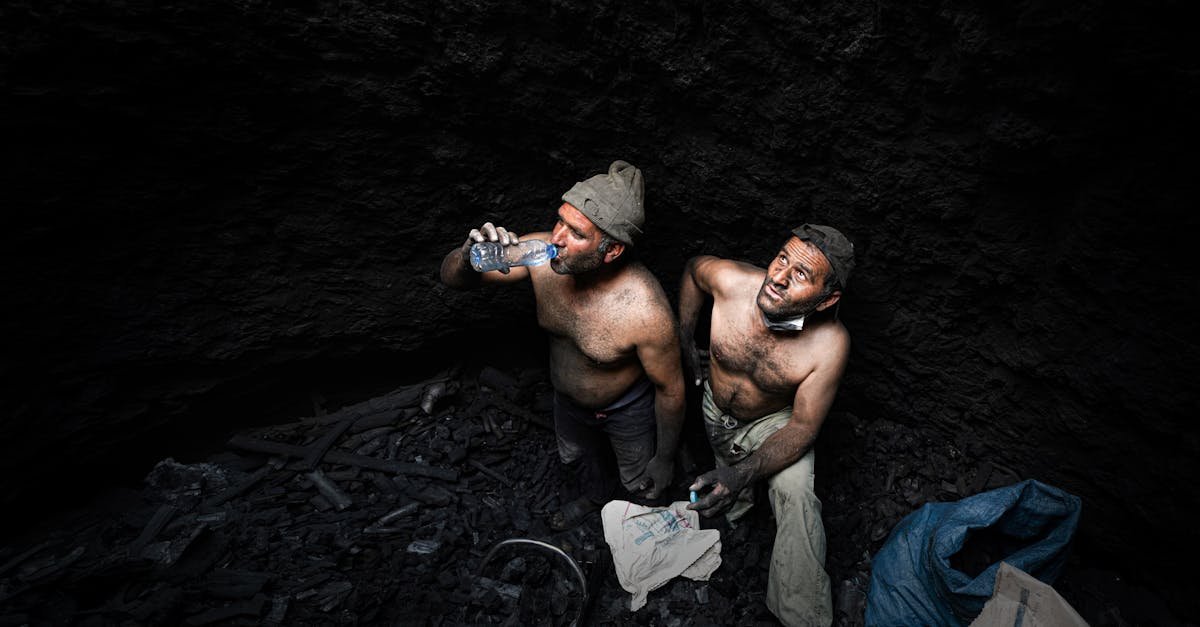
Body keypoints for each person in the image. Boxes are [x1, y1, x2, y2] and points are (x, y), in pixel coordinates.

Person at [439, 160, 685, 530]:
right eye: (560, 221)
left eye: (576, 233)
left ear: (612, 251)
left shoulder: (645, 311)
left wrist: (665, 459)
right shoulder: (540, 257)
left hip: (626, 409)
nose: (556, 238)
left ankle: (640, 526)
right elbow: (453, 279)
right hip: (566, 403)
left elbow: (671, 390)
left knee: (640, 478)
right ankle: (595, 499)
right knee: (575, 460)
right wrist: (466, 255)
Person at [678, 224, 855, 627]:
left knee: (796, 493)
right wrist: (685, 338)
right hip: (714, 408)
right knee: (729, 496)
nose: (777, 278)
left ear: (828, 300)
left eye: (800, 275)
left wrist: (744, 472)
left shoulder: (829, 344)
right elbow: (692, 270)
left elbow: (804, 427)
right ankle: (738, 520)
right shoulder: (732, 281)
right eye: (782, 260)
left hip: (772, 422)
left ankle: (799, 616)